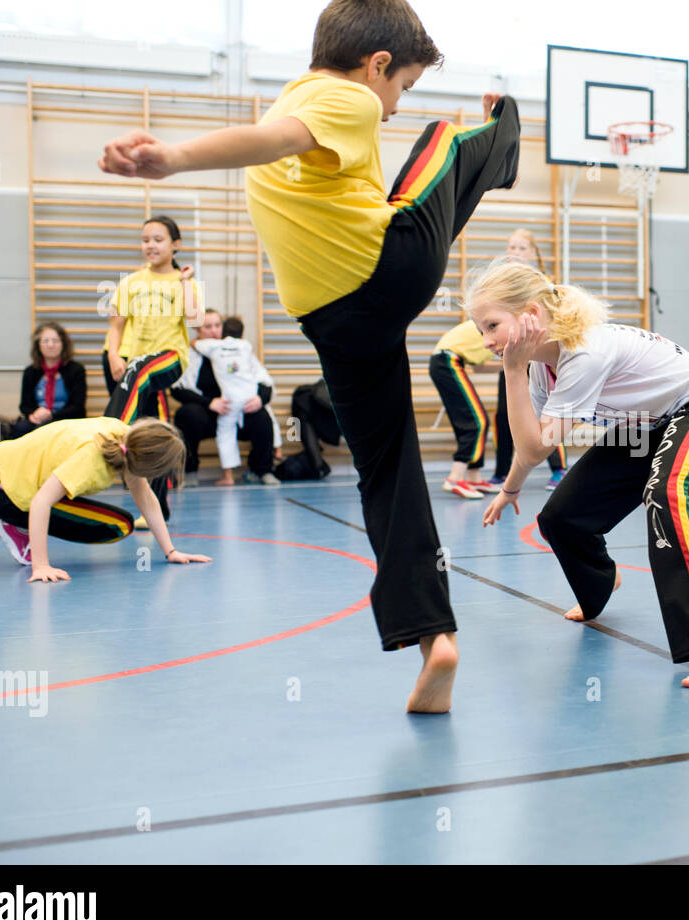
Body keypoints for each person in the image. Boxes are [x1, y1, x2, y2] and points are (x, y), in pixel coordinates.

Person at [98, 0, 520, 713]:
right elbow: (273, 139)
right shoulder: (344, 97)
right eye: (402, 87)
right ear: (377, 65)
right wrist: (172, 158)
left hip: (332, 322)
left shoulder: (295, 98)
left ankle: (431, 635)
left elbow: (272, 137)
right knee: (447, 139)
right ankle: (505, 127)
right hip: (393, 267)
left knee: (385, 471)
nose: (392, 109)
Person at [472, 259, 689, 688]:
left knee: (668, 494)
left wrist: (511, 371)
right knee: (561, 518)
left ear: (531, 315)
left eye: (492, 326)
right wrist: (511, 489)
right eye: (481, 329)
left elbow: (538, 445)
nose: (485, 341)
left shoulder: (583, 352)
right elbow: (531, 444)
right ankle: (601, 581)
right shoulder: (541, 366)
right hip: (644, 427)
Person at [0, 417, 210, 582]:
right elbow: (40, 502)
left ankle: (14, 519)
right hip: (6, 492)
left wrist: (171, 551)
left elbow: (146, 498)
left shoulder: (122, 435)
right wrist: (41, 565)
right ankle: (16, 523)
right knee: (117, 525)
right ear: (148, 467)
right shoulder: (92, 461)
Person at [103, 215, 203, 522]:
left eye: (158, 240)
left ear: (176, 245)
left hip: (167, 358)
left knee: (141, 369)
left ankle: (108, 431)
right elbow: (116, 326)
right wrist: (113, 358)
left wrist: (184, 281)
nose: (150, 245)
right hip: (128, 364)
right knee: (152, 437)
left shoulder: (185, 282)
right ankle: (157, 509)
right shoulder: (131, 282)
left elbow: (193, 317)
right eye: (145, 240)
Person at [492, 228, 566, 489]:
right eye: (511, 247)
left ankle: (558, 468)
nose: (515, 252)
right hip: (513, 355)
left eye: (521, 248)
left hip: (538, 355)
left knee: (546, 410)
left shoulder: (544, 284)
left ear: (534, 254)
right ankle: (501, 472)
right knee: (505, 413)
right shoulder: (501, 284)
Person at [178, 312, 279, 485]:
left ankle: (262, 470)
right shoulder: (192, 354)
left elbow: (265, 382)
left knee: (261, 416)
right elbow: (178, 390)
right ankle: (190, 472)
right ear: (198, 330)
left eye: (218, 325)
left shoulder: (239, 350)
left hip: (239, 409)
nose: (214, 331)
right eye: (208, 327)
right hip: (208, 414)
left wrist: (259, 400)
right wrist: (210, 403)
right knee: (187, 414)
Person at [428, 319, 498, 499]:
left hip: (445, 361)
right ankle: (454, 478)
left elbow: (479, 368)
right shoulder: (496, 326)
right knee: (477, 422)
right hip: (448, 361)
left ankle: (474, 478)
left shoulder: (489, 328)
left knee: (469, 422)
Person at [11, 322, 87, 440]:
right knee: (20, 428)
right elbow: (24, 406)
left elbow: (78, 407)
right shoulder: (30, 371)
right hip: (38, 418)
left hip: (65, 420)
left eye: (55, 341)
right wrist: (34, 414)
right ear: (38, 345)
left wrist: (51, 415)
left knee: (44, 430)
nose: (50, 345)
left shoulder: (76, 370)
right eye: (45, 341)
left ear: (63, 344)